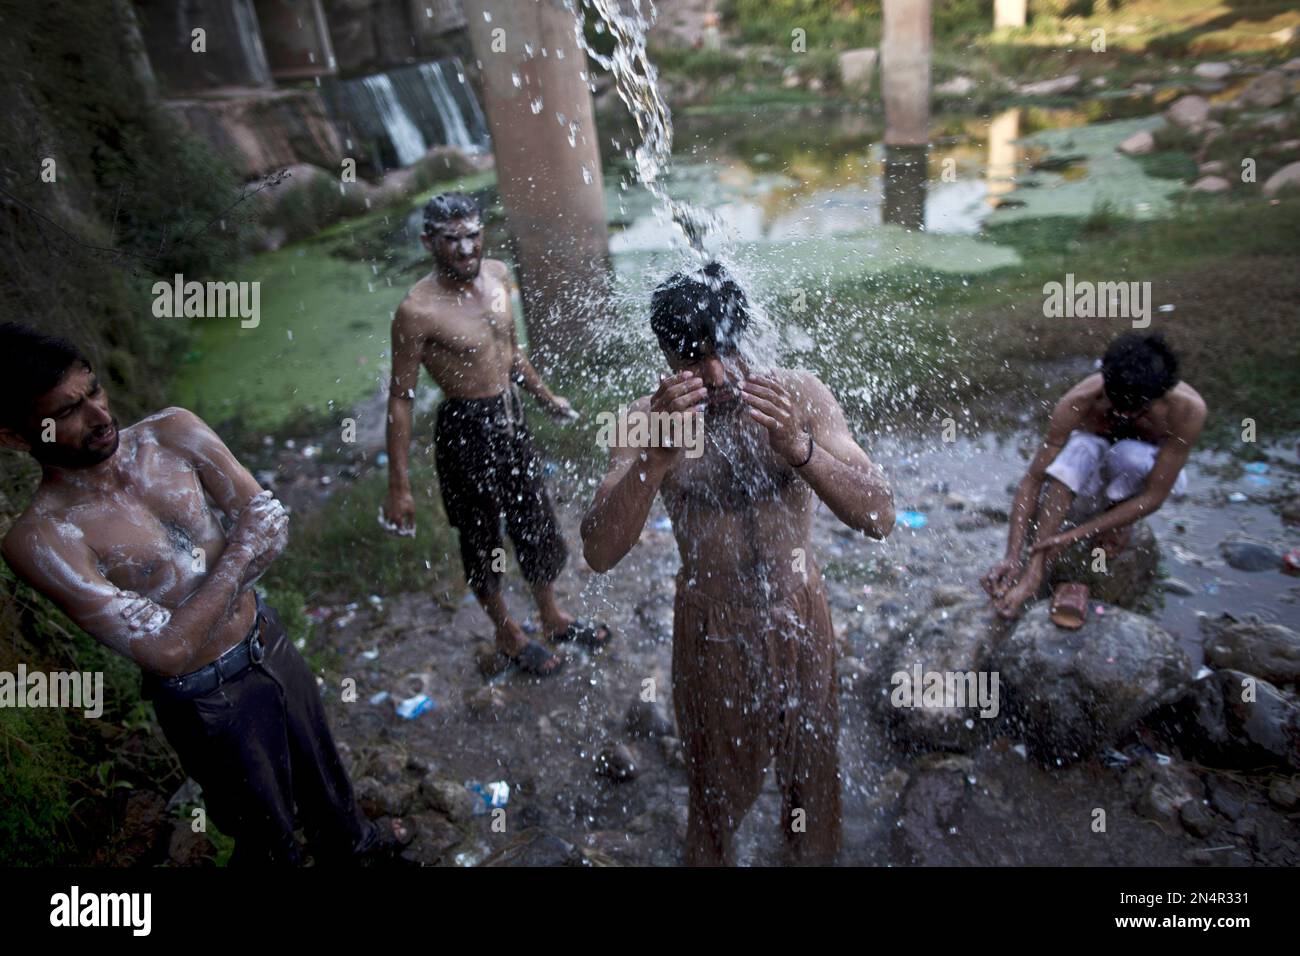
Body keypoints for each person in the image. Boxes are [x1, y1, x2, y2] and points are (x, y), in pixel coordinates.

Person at [0, 322, 402, 865]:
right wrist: (238, 554)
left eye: (93, 390)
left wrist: (217, 584)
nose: (98, 416)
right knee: (269, 841)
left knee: (332, 796)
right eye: (66, 411)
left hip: (270, 641)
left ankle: (361, 853)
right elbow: (166, 651)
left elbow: (270, 524)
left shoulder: (172, 432)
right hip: (205, 699)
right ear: (16, 437)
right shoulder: (42, 537)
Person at [581, 263, 894, 865]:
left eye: (727, 350)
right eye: (695, 361)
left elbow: (879, 515)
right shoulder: (644, 420)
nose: (718, 376)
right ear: (667, 358)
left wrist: (800, 450)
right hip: (711, 628)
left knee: (813, 783)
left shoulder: (798, 395)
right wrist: (656, 455)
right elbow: (598, 552)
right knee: (714, 801)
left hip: (802, 612)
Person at [381, 192, 610, 676]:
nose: (465, 250)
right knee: (482, 536)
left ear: (483, 232)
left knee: (536, 518)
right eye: (451, 241)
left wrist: (547, 399)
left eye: (472, 236)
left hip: (511, 416)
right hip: (465, 428)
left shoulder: (500, 275)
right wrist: (398, 485)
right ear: (428, 242)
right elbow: (400, 398)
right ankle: (506, 630)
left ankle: (551, 615)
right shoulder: (416, 311)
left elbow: (510, 353)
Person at [982, 332, 1205, 619]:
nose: (1123, 416)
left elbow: (1155, 495)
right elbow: (1033, 479)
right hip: (1093, 478)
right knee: (1081, 447)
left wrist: (1077, 535)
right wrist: (1013, 557)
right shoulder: (1080, 401)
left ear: (1162, 393)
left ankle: (1117, 522)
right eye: (1115, 407)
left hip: (1137, 476)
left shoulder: (1187, 411)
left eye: (1135, 410)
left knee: (1130, 455)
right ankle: (1033, 573)